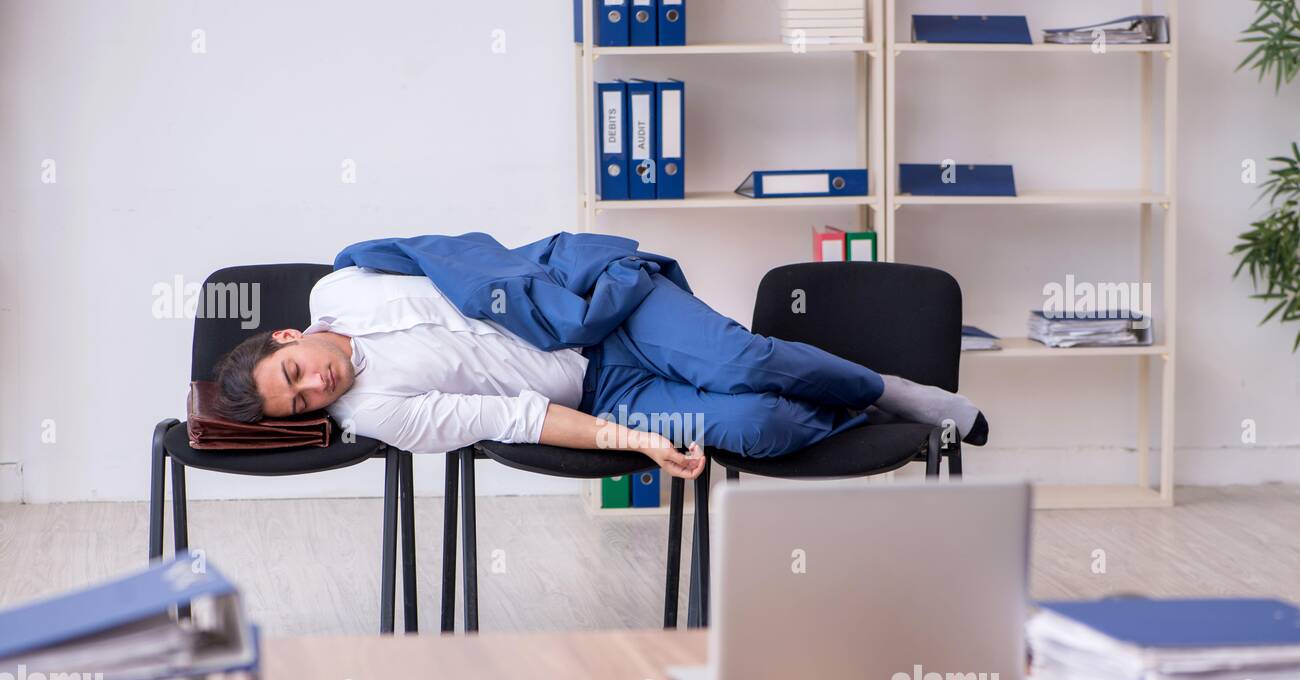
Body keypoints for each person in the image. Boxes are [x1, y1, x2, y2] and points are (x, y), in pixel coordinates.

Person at [212, 232, 987, 482]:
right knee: (754, 429)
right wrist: (637, 439)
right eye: (304, 402)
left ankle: (892, 388)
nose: (318, 384)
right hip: (605, 395)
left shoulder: (349, 282)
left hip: (604, 311)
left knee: (740, 364)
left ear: (288, 337)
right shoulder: (376, 411)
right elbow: (521, 416)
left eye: (295, 373)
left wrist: (550, 287)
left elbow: (473, 261)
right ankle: (860, 407)